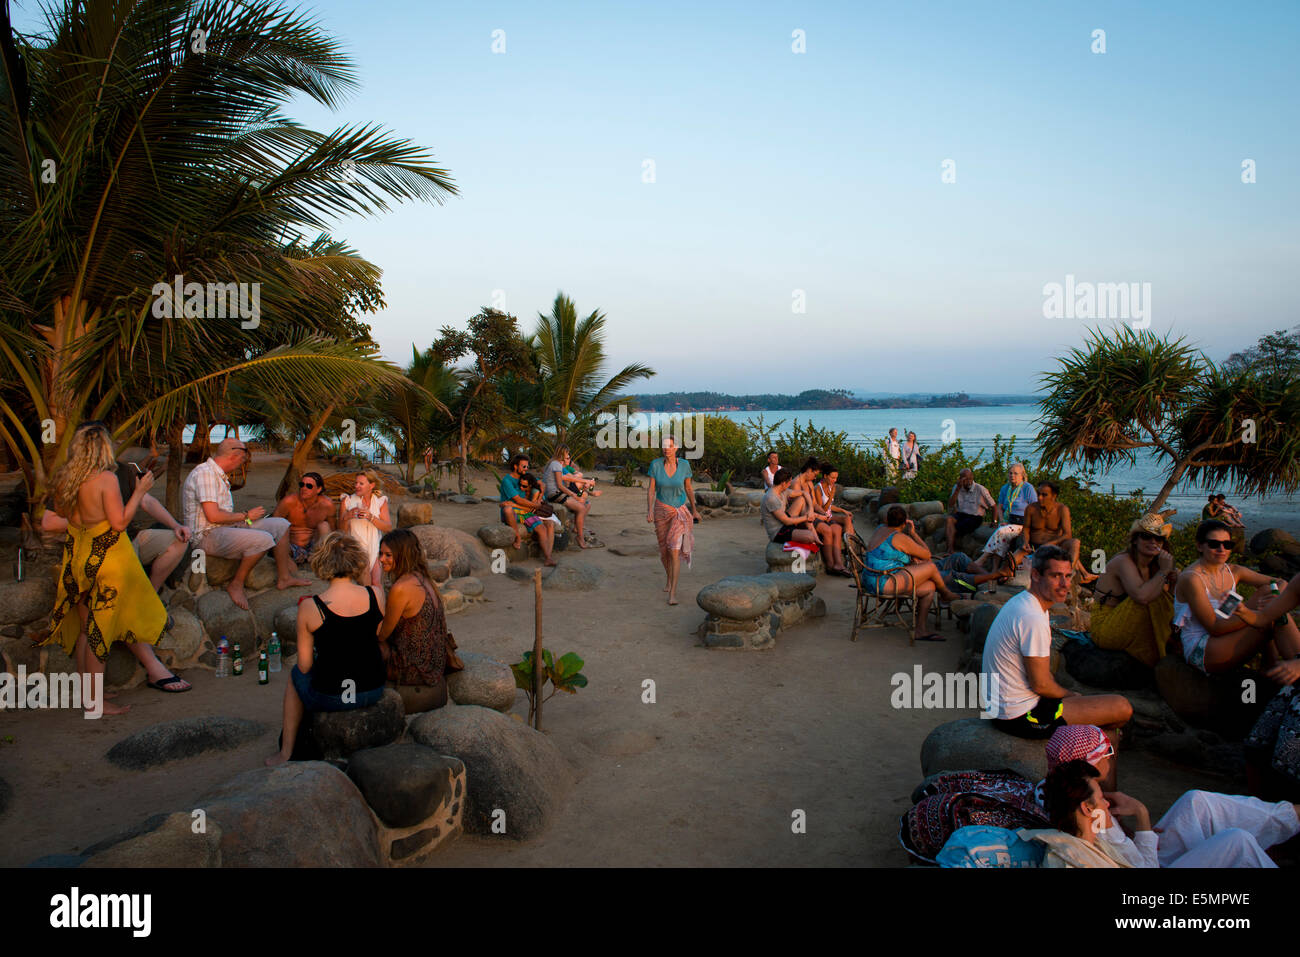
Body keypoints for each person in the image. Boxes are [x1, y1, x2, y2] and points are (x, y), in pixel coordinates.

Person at [43, 423, 191, 711]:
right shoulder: (106, 479)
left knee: (87, 629)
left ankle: (89, 695)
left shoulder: (66, 478)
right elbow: (119, 523)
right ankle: (95, 703)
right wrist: (139, 492)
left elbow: (65, 520)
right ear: (104, 447)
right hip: (109, 558)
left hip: (80, 555)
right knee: (101, 631)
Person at [1025, 759, 1300, 868]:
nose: (1107, 803)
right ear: (1086, 808)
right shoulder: (1075, 858)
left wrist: (1141, 815)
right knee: (1237, 842)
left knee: (1196, 802)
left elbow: (1142, 862)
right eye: (1101, 798)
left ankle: (1293, 816)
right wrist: (1141, 819)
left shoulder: (1094, 827)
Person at [981, 545, 1133, 741]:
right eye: (1056, 576)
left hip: (1004, 707)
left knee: (1107, 729)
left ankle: (1092, 750)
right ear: (1035, 575)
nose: (1065, 584)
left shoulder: (1024, 602)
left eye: (1068, 576)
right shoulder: (1032, 616)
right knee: (1122, 707)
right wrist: (1072, 696)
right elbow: (1042, 685)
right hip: (1020, 715)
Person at [265, 532, 387, 766]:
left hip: (334, 694)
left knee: (295, 677)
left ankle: (286, 751)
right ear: (356, 560)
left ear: (321, 562)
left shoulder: (312, 606)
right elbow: (376, 634)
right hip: (372, 688)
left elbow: (304, 665)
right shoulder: (376, 594)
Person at [1172, 520, 1299, 674]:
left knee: (1269, 594)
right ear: (1200, 546)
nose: (1221, 549)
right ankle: (1279, 667)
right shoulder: (1192, 578)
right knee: (1270, 619)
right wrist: (1254, 611)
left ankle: (1275, 667)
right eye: (1214, 544)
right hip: (1203, 646)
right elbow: (1214, 628)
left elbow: (1280, 582)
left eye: (1227, 544)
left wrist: (1274, 601)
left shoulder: (1234, 571)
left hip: (1227, 627)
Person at [182, 436, 296, 608]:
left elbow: (223, 515)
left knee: (281, 524)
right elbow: (213, 516)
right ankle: (236, 584)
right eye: (243, 459)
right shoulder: (205, 474)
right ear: (234, 456)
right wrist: (245, 515)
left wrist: (247, 519)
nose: (243, 464)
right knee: (263, 539)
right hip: (206, 535)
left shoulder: (219, 475)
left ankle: (284, 577)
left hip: (225, 528)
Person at [42, 464, 191, 592]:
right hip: (101, 546)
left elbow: (147, 502)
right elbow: (49, 523)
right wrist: (96, 522)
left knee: (178, 541)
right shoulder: (73, 477)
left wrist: (176, 525)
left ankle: (151, 594)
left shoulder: (122, 470)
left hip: (130, 539)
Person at [859, 505, 963, 643]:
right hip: (885, 582)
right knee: (931, 567)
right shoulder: (899, 537)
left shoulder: (880, 529)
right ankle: (946, 594)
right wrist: (913, 533)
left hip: (870, 579)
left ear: (887, 519)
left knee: (930, 587)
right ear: (904, 523)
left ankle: (920, 630)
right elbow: (927, 554)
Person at [1089, 511, 1178, 667]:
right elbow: (1142, 597)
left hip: (1127, 626)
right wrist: (1164, 571)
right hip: (1104, 628)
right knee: (1147, 600)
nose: (1153, 542)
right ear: (1136, 540)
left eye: (1158, 538)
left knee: (1161, 599)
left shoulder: (1154, 565)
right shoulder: (1123, 561)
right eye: (1146, 536)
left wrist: (1174, 582)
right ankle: (1163, 655)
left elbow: (1167, 601)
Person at [376, 529, 449, 709]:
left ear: (402, 556)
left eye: (388, 555)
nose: (381, 559)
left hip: (413, 667)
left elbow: (383, 634)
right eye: (380, 554)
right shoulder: (423, 578)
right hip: (434, 662)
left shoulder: (401, 587)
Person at [646, 436, 701, 606]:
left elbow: (689, 488)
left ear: (676, 448)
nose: (666, 449)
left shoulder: (684, 465)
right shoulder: (655, 465)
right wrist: (649, 510)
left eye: (669, 446)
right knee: (664, 552)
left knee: (674, 549)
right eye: (664, 446)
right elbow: (651, 490)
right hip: (661, 510)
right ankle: (669, 578)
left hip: (679, 511)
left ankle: (673, 593)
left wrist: (694, 510)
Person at [1020, 481, 1095, 583]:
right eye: (1038, 494)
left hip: (1055, 546)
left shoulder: (1062, 509)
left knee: (1075, 542)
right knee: (1011, 562)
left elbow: (1068, 534)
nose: (1040, 498)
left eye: (1044, 495)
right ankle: (1084, 573)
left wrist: (1050, 543)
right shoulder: (1031, 508)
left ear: (1054, 496)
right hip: (1034, 546)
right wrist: (1025, 542)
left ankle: (1068, 573)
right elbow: (1026, 528)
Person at [969, 463, 1038, 575]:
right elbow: (1000, 507)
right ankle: (995, 569)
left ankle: (983, 559)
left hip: (1022, 523)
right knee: (1002, 536)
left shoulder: (1027, 488)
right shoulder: (1005, 488)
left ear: (1022, 475)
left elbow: (1035, 508)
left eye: (1016, 473)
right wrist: (1001, 520)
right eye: (1010, 473)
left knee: (1001, 532)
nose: (1012, 476)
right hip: (1008, 521)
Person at [337, 469, 392, 588]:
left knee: (377, 583)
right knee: (366, 576)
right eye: (356, 483)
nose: (357, 486)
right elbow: (341, 532)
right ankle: (369, 603)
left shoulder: (380, 502)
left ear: (371, 485)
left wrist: (371, 517)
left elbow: (388, 527)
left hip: (375, 546)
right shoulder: (348, 501)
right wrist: (347, 517)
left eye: (361, 483)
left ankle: (379, 605)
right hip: (355, 547)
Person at [499, 454, 556, 564]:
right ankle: (517, 537)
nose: (526, 469)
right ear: (516, 466)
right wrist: (536, 506)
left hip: (526, 511)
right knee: (507, 509)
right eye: (523, 466)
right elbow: (518, 500)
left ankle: (548, 557)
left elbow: (540, 484)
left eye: (527, 467)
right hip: (514, 511)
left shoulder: (524, 477)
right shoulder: (507, 480)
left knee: (542, 528)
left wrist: (541, 487)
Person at [273, 471, 334, 567]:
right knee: (282, 526)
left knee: (324, 526)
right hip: (291, 546)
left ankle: (321, 558)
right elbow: (273, 526)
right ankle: (289, 561)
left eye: (309, 486)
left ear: (318, 489)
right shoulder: (288, 502)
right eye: (302, 485)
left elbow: (333, 530)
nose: (304, 488)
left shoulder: (327, 504)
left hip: (314, 546)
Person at [543, 445, 593, 548]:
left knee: (582, 504)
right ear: (562, 453)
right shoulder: (556, 464)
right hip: (554, 494)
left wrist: (575, 494)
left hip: (554, 493)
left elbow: (566, 480)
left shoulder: (554, 463)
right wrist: (573, 495)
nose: (568, 455)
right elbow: (560, 485)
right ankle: (580, 537)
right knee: (581, 508)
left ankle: (578, 531)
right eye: (567, 454)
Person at [760, 467, 821, 547]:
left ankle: (811, 529)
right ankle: (812, 533)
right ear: (783, 483)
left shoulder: (783, 490)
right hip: (778, 531)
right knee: (810, 536)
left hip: (785, 522)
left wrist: (810, 509)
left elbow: (804, 493)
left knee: (801, 499)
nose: (790, 484)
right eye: (789, 482)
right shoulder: (771, 498)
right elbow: (787, 521)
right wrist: (807, 517)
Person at [943, 469, 995, 555]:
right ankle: (950, 549)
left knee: (959, 527)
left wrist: (994, 521)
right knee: (949, 520)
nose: (968, 482)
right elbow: (951, 504)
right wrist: (957, 489)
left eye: (970, 479)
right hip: (961, 514)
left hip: (975, 516)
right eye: (965, 479)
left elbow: (993, 506)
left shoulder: (980, 489)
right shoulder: (957, 488)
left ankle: (954, 539)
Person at [814, 461, 857, 545]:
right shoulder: (818, 488)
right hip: (823, 517)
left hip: (829, 515)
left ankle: (849, 544)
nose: (835, 480)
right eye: (832, 478)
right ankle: (850, 545)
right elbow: (822, 510)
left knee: (847, 517)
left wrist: (843, 511)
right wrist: (831, 495)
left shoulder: (830, 486)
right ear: (825, 476)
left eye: (836, 478)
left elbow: (830, 507)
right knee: (846, 520)